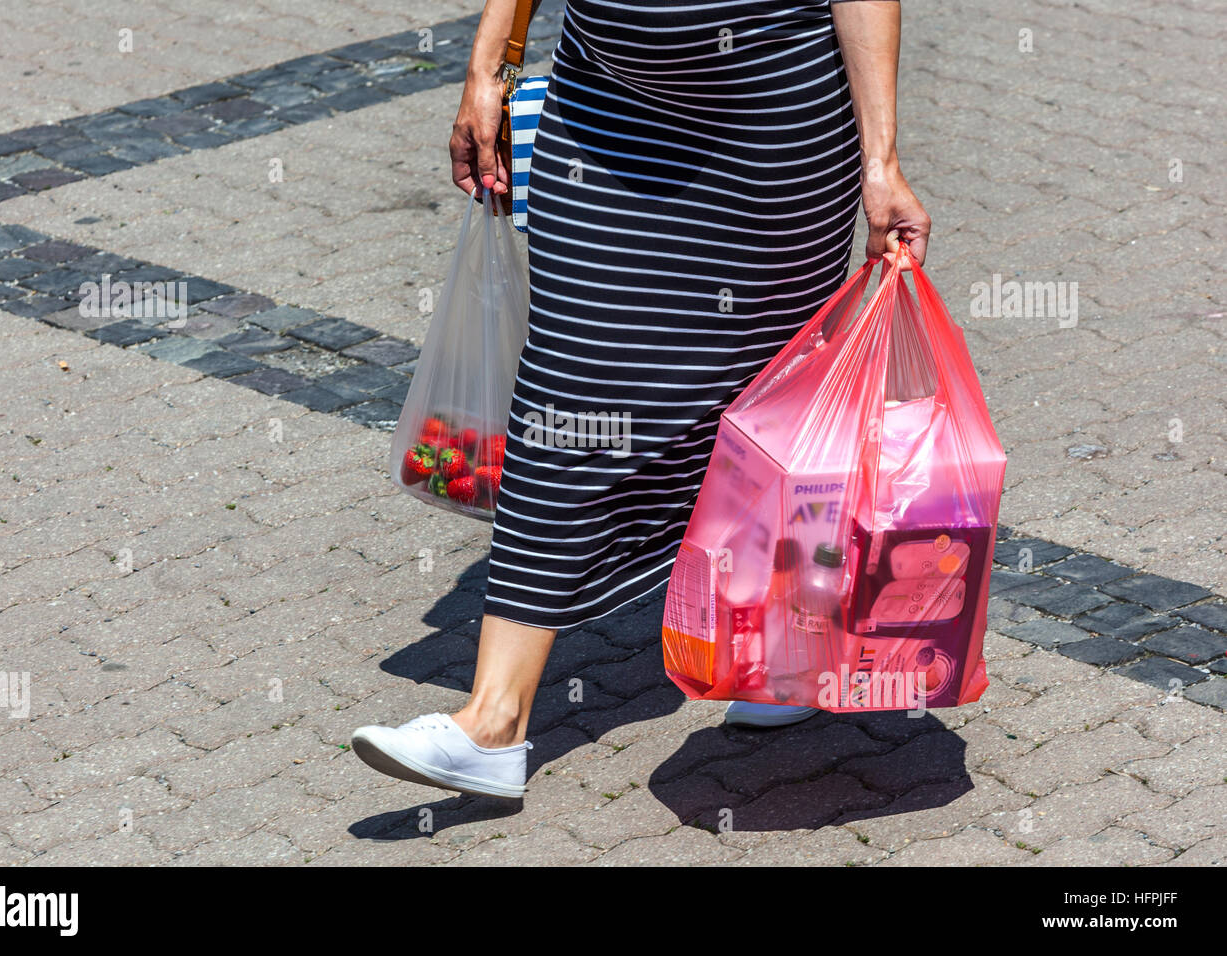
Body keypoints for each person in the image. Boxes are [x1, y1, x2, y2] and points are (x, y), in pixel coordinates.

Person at [351, 0, 931, 799]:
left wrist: (881, 162)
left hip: (766, 132)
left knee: (757, 397)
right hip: (601, 113)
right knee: (565, 391)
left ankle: (773, 654)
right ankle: (493, 722)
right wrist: (489, 69)